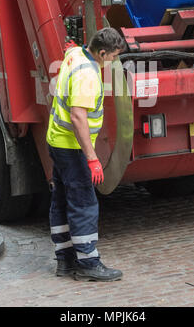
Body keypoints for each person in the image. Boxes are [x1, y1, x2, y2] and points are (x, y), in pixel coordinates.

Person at [47, 27, 126, 282]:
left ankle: (65, 260)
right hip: (71, 147)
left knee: (61, 199)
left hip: (57, 141)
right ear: (102, 53)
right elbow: (78, 115)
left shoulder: (75, 55)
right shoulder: (88, 75)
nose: (113, 61)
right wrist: (92, 158)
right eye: (113, 56)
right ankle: (89, 262)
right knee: (84, 203)